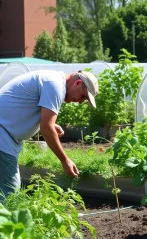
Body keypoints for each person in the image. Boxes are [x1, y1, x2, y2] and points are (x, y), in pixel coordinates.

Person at [0, 69, 98, 197]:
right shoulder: (55, 85)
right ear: (78, 83)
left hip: (5, 133)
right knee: (10, 191)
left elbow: (26, 109)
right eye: (83, 96)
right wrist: (65, 160)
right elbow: (47, 128)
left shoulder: (53, 80)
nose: (80, 101)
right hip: (3, 134)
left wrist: (47, 125)